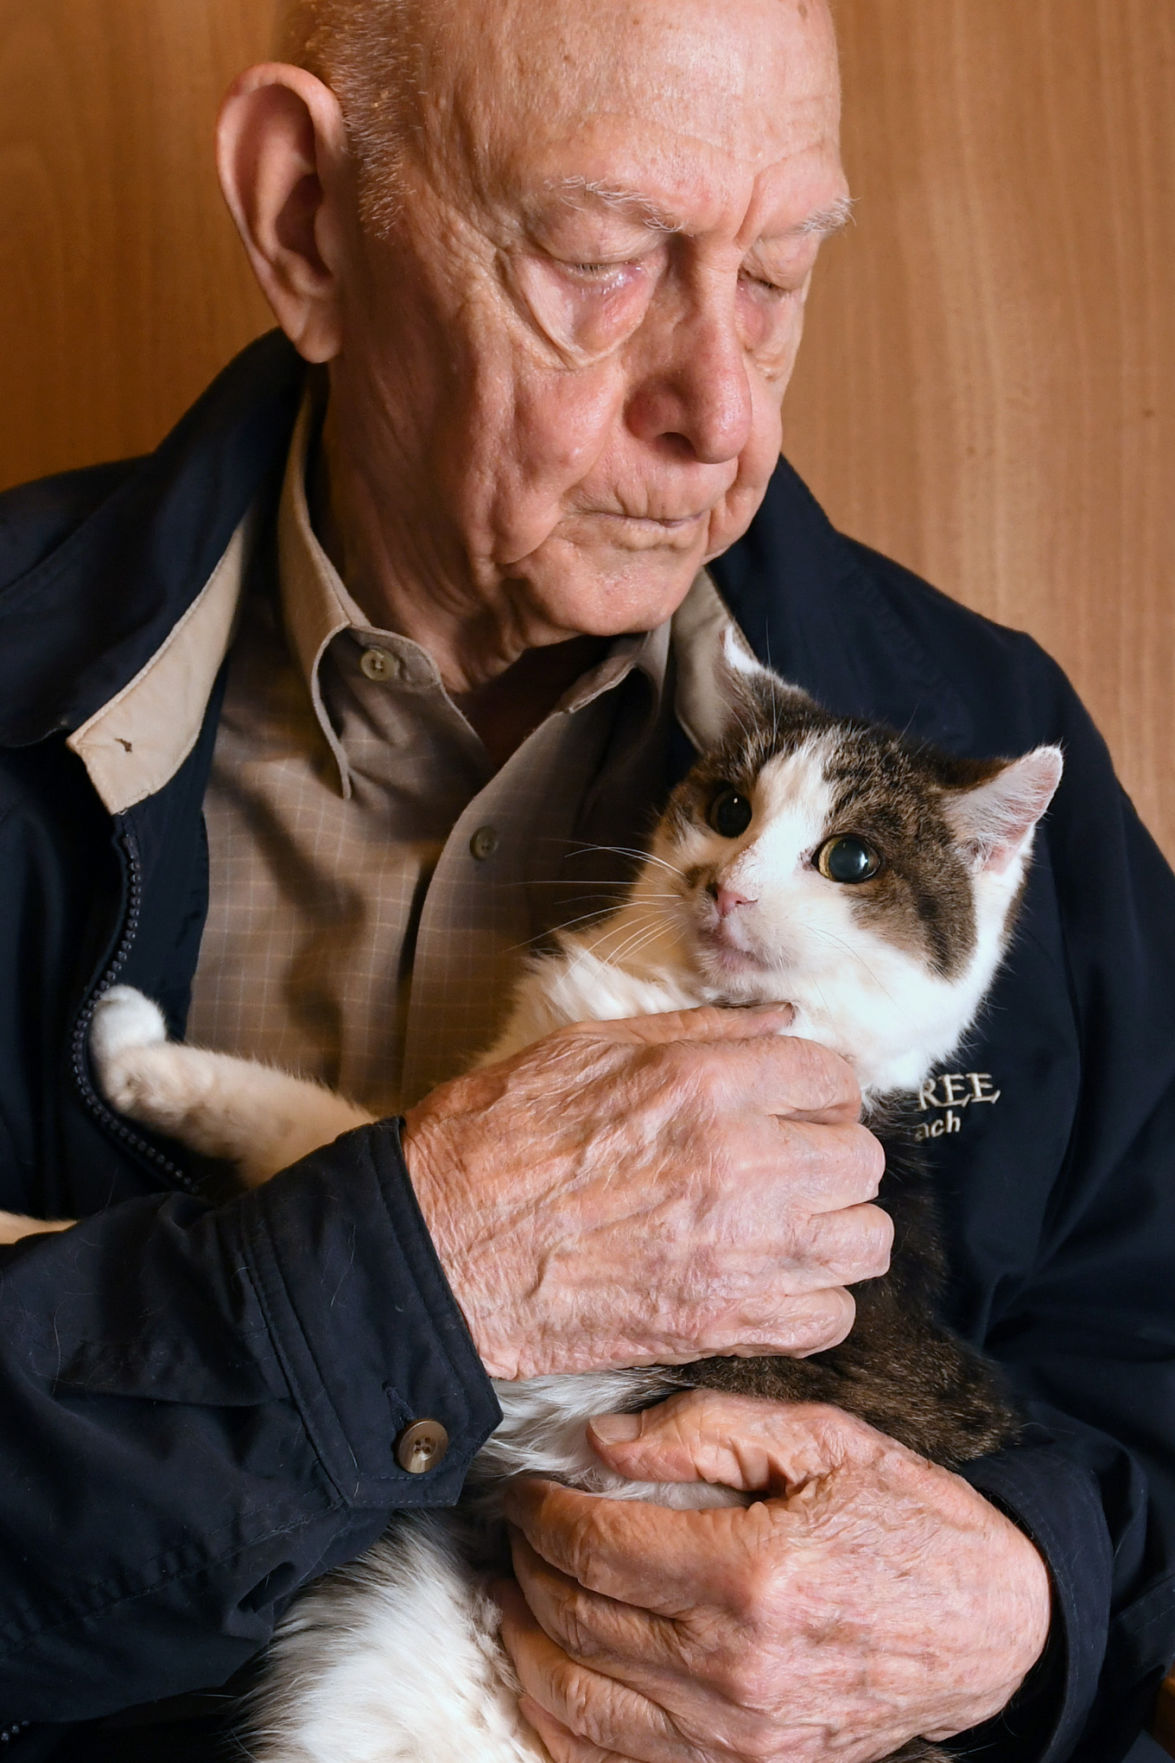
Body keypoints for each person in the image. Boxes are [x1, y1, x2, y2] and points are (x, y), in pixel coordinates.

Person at [0, 0, 1171, 1759]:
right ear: (307, 219)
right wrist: (416, 1275)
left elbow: (1150, 1394)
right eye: (603, 256)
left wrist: (1023, 1593)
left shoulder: (985, 746)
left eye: (779, 276)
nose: (724, 418)